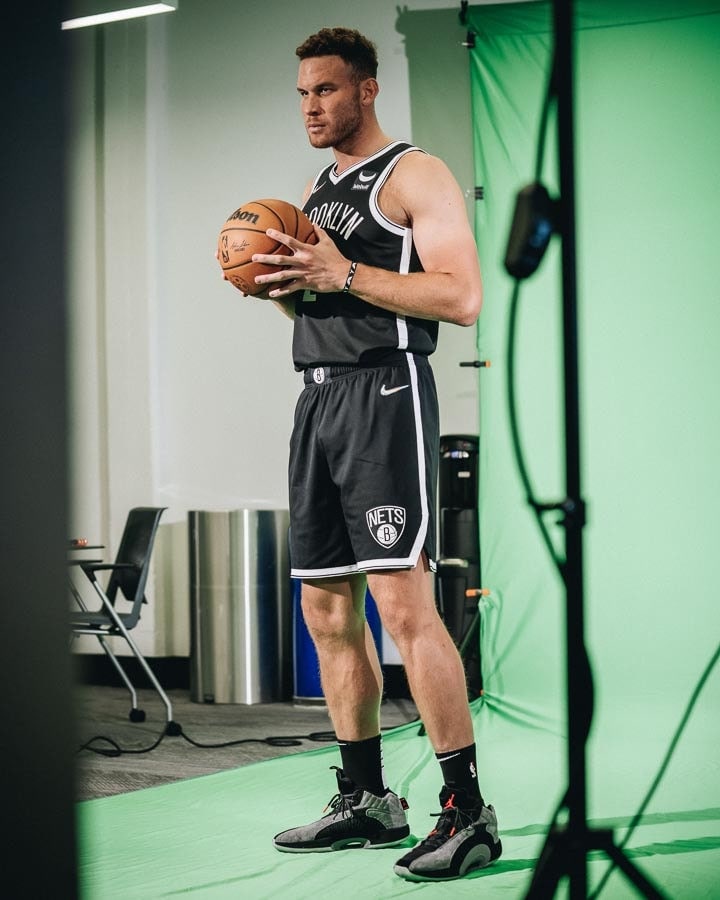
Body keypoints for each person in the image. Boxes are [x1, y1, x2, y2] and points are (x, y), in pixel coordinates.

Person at [249, 27, 502, 882]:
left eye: (325, 89)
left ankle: (468, 812)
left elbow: (461, 296)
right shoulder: (314, 192)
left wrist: (343, 274)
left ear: (366, 89)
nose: (310, 106)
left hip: (385, 394)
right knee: (326, 609)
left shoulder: (414, 174)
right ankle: (366, 799)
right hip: (316, 397)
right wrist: (275, 282)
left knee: (403, 606)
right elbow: (318, 298)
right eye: (302, 93)